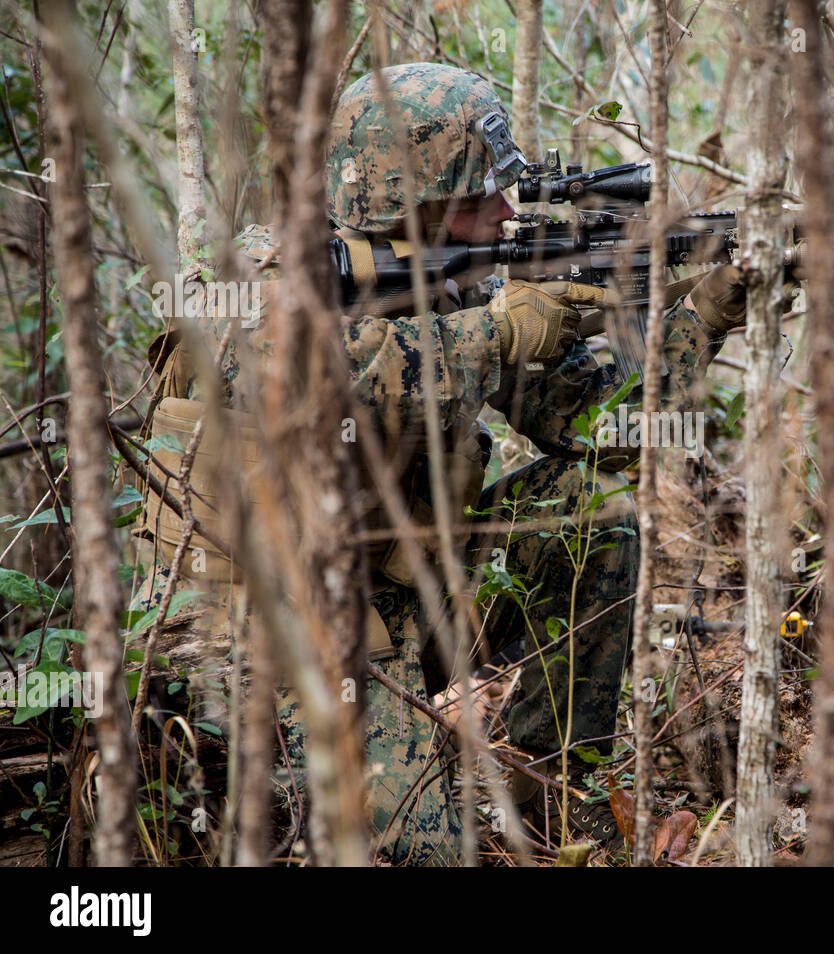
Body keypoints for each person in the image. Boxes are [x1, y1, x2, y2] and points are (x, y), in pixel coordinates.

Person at [129, 61, 747, 864]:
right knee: (431, 856)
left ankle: (547, 786)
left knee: (598, 507)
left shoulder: (459, 278)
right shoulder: (264, 276)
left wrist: (702, 316)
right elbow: (329, 381)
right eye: (478, 196)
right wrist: (505, 330)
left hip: (397, 597)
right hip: (260, 632)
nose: (503, 210)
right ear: (408, 201)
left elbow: (591, 429)